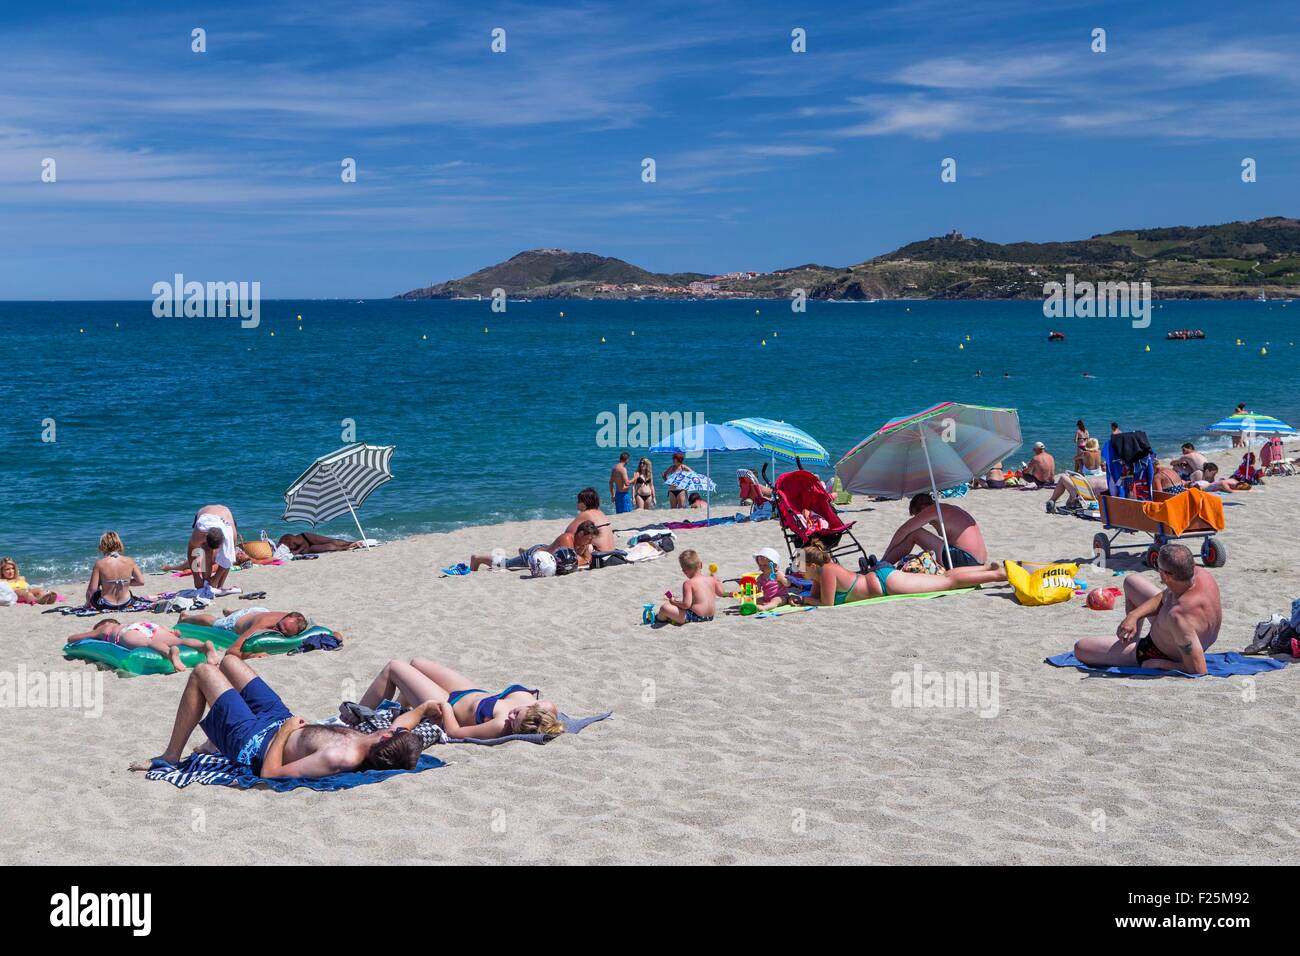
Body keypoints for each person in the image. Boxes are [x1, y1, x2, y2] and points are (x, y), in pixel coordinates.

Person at [130, 655, 423, 778]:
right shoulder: (376, 741)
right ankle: (213, 740)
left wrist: (284, 732)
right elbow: (404, 724)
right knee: (230, 662)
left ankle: (171, 756)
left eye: (395, 731)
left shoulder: (340, 758)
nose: (395, 727)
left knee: (203, 673)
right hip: (277, 717)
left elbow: (270, 774)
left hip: (254, 742)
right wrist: (428, 708)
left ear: (387, 738)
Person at [1072, 544, 1220, 675]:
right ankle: (1131, 638)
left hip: (1158, 652)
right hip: (1181, 633)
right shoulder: (1202, 575)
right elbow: (1164, 596)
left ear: (1164, 575)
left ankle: (1131, 651)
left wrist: (1160, 664)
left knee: (1081, 648)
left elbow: (1199, 669)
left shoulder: (1178, 616)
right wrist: (1134, 615)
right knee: (1131, 581)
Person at [357, 658, 565, 740]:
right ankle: (400, 711)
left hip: (449, 703)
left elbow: (455, 732)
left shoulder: (500, 725)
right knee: (416, 663)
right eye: (516, 713)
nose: (511, 716)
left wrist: (445, 708)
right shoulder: (540, 707)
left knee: (394, 668)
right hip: (469, 691)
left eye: (514, 722)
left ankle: (354, 716)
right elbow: (549, 710)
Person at [798, 542, 1006, 605]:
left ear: (813, 566)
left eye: (801, 566)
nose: (799, 571)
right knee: (945, 577)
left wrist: (803, 600)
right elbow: (815, 596)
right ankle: (987, 569)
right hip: (883, 578)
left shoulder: (827, 571)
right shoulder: (821, 574)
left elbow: (826, 604)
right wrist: (804, 598)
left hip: (887, 582)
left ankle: (997, 575)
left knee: (947, 582)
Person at [882, 493, 988, 569]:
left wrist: (887, 552)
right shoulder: (949, 508)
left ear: (923, 508)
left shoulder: (931, 510)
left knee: (914, 533)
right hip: (979, 563)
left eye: (916, 515)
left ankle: (882, 565)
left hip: (965, 560)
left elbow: (904, 530)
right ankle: (884, 563)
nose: (918, 519)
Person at [66, 619, 214, 673]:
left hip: (128, 633)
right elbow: (172, 631)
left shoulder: (104, 629)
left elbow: (72, 638)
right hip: (148, 625)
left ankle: (171, 654)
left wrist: (95, 632)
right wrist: (172, 632)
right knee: (180, 641)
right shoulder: (127, 622)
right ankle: (205, 646)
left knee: (148, 644)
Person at [469, 520, 600, 572]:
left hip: (546, 552)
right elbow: (573, 562)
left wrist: (584, 557)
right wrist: (583, 558)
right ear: (581, 533)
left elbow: (586, 559)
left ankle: (523, 551)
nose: (589, 543)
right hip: (536, 555)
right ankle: (477, 559)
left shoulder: (583, 544)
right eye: (588, 539)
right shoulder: (567, 538)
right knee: (505, 564)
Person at [177, 607, 309, 657]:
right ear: (282, 618)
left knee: (246, 615)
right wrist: (258, 654)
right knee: (215, 622)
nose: (277, 631)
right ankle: (186, 617)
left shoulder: (293, 620)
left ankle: (231, 610)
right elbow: (233, 650)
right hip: (235, 623)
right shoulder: (263, 624)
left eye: (284, 633)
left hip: (258, 610)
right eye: (279, 626)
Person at [656, 549, 726, 624]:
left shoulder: (688, 583)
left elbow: (686, 605)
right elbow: (722, 593)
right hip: (710, 616)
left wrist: (674, 602)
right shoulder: (712, 579)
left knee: (664, 608)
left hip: (695, 617)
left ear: (684, 571)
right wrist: (717, 580)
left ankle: (660, 619)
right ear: (701, 565)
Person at [85, 531, 147, 610]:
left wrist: (87, 603)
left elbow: (92, 590)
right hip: (126, 602)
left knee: (97, 593)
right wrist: (125, 582)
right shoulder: (130, 561)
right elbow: (140, 582)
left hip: (107, 604)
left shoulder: (99, 564)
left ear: (102, 546)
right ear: (119, 544)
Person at [186, 505, 239, 589]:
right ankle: (205, 582)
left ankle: (219, 586)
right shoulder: (200, 531)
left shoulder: (230, 536)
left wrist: (216, 578)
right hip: (205, 514)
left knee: (227, 554)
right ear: (205, 536)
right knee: (206, 550)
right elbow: (191, 552)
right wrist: (196, 577)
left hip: (225, 514)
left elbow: (229, 559)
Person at [276, 532, 366, 555]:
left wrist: (296, 552)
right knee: (330, 547)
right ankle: (349, 547)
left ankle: (352, 543)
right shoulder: (279, 550)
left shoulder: (287, 538)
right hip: (308, 550)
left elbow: (301, 544)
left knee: (331, 541)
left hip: (306, 538)